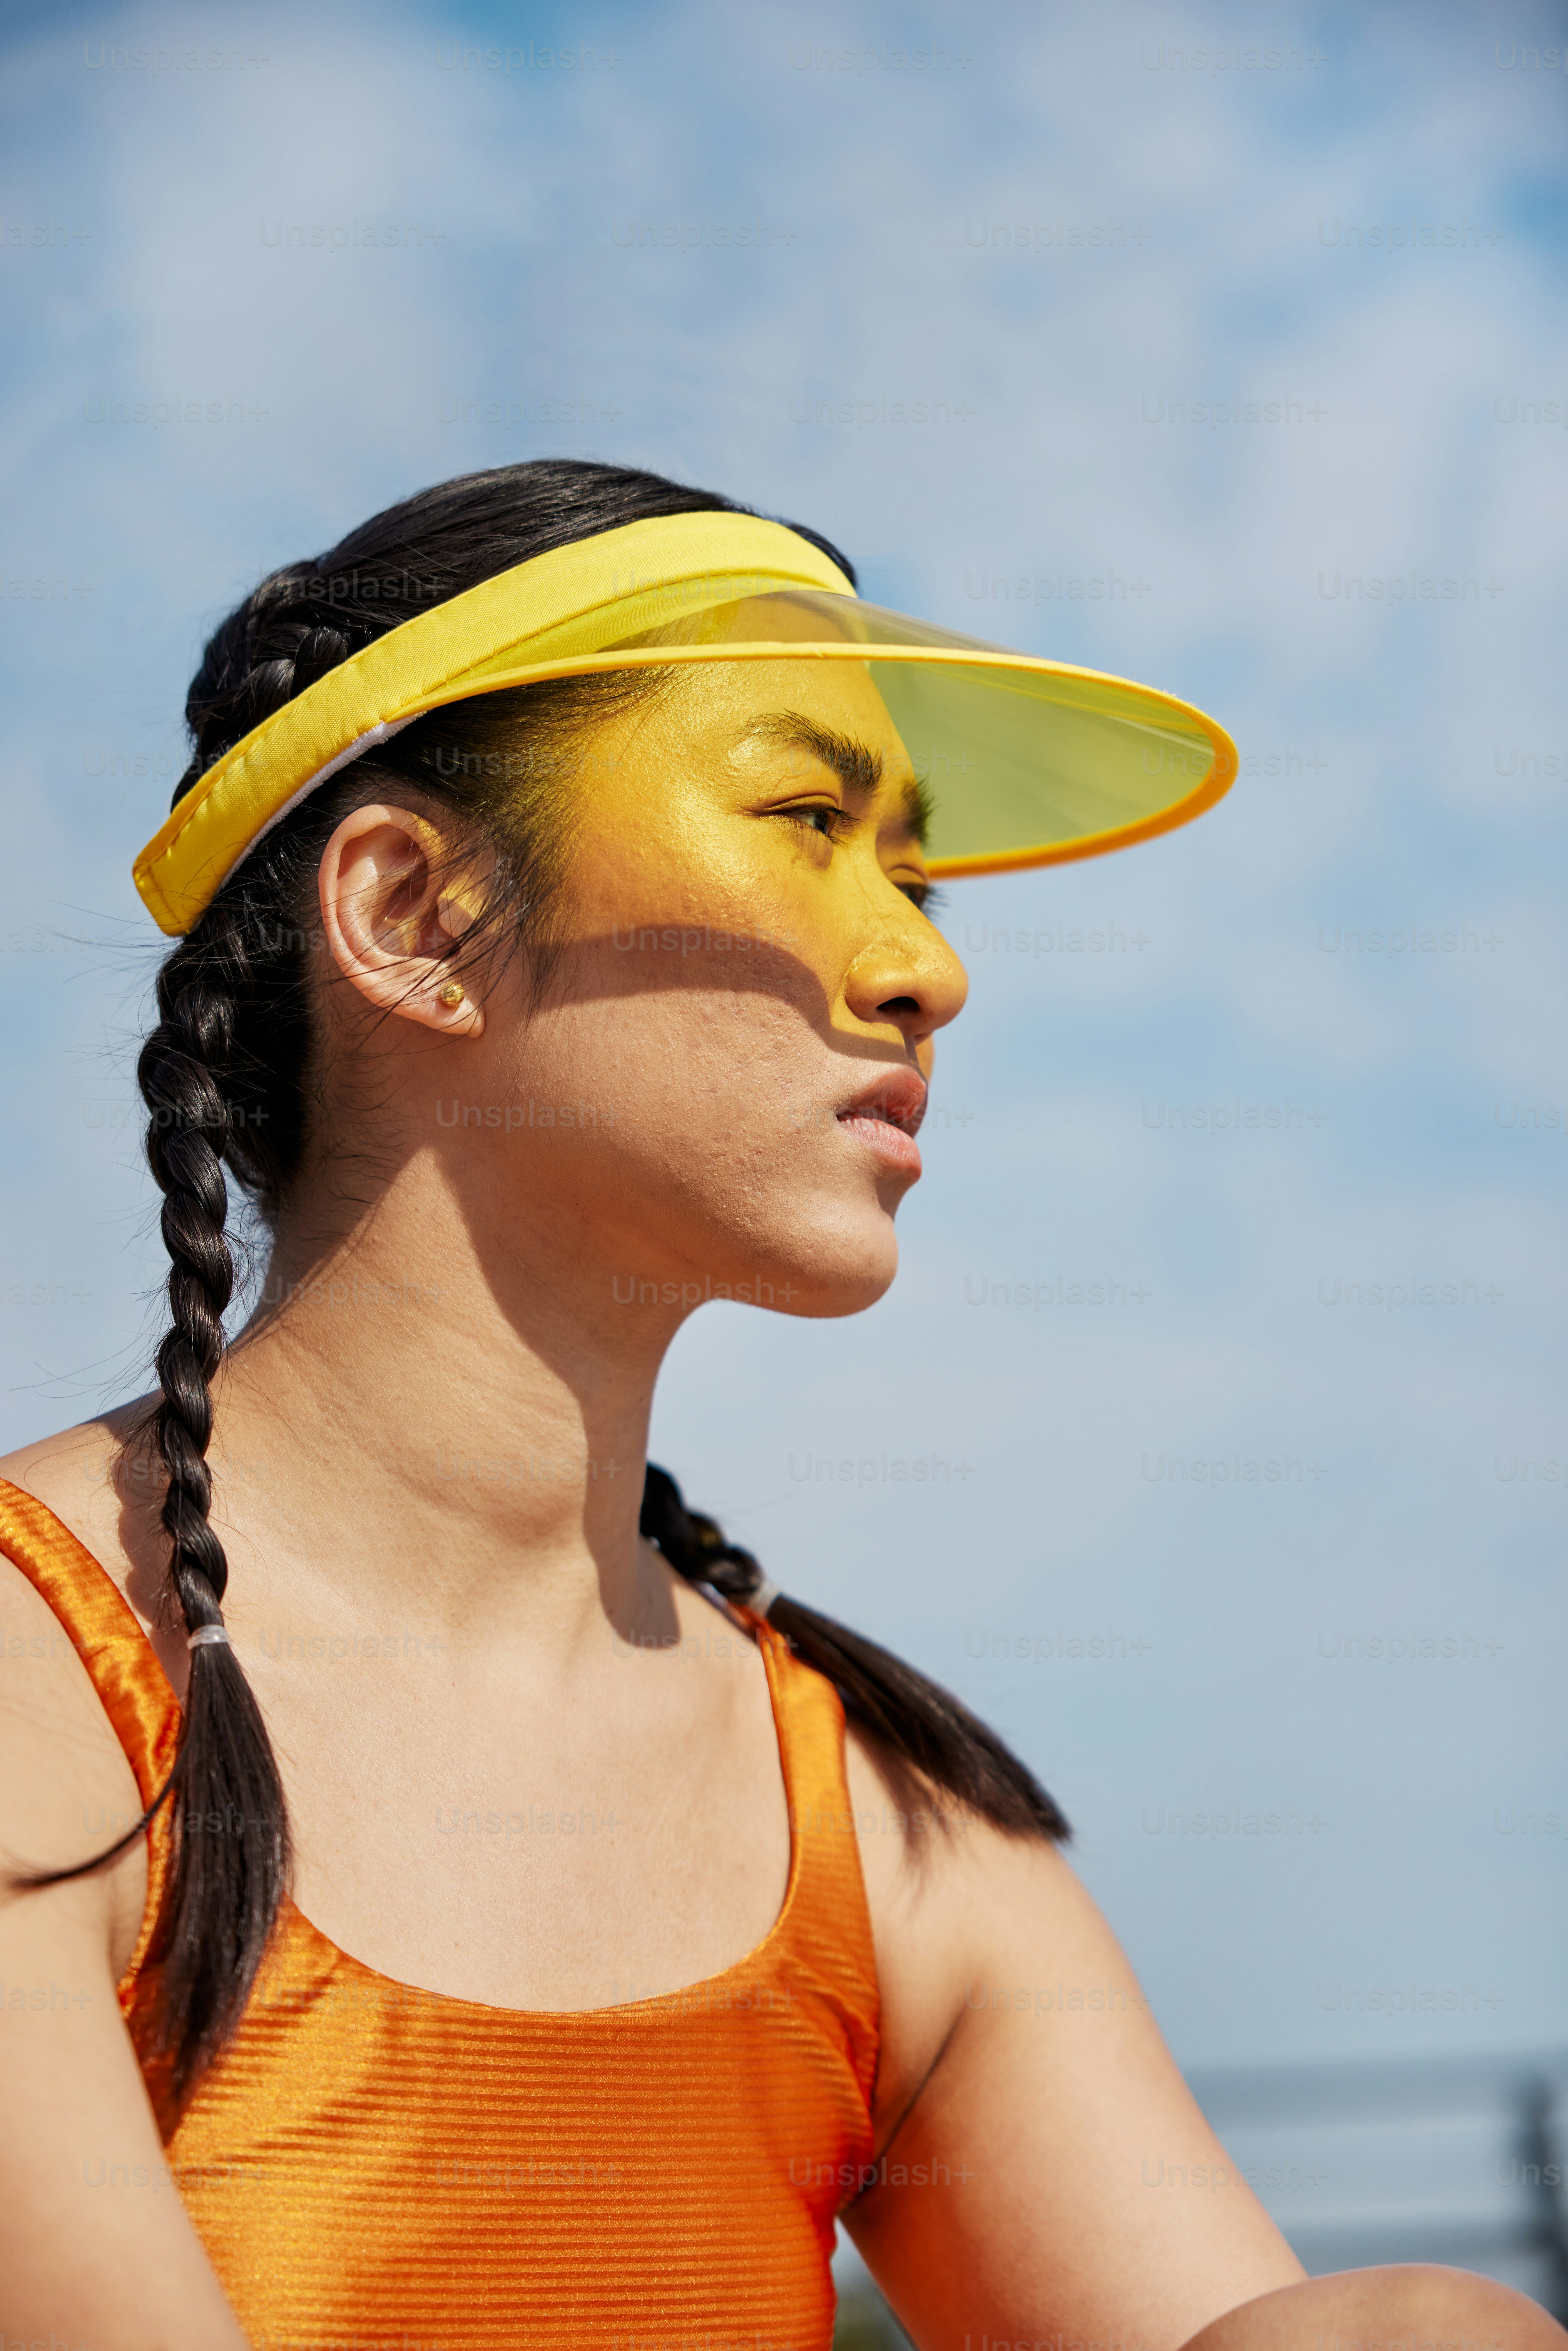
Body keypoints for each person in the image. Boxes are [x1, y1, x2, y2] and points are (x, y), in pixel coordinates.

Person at [0, 460, 1555, 2351]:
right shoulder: (45, 1683)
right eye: (805, 816)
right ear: (411, 910)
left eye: (907, 870)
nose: (930, 966)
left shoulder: (891, 1834)